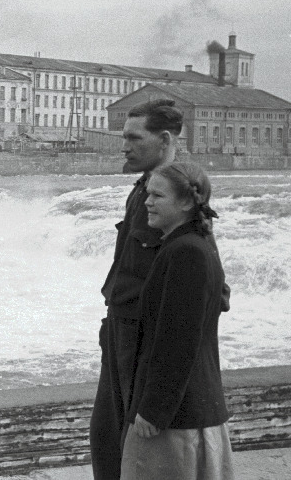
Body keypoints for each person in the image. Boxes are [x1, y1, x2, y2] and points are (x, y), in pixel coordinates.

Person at [90, 99, 229, 479]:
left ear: (165, 139)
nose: (125, 146)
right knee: (108, 444)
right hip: (120, 333)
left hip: (141, 341)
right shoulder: (146, 192)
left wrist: (159, 384)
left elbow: (214, 294)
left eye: (135, 138)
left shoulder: (181, 201)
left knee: (133, 449)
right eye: (124, 137)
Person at [121, 161, 233, 479]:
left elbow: (178, 342)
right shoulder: (190, 245)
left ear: (185, 202)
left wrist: (153, 410)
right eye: (148, 193)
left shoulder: (186, 253)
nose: (147, 202)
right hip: (186, 413)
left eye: (158, 195)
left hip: (176, 422)